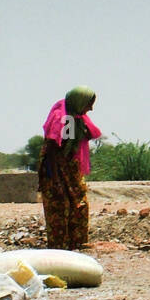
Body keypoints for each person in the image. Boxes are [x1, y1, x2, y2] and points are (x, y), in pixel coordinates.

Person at [38, 86, 101, 250]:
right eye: (88, 104)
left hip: (71, 170)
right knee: (60, 205)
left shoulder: (77, 119)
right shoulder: (64, 120)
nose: (90, 108)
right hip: (57, 171)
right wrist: (55, 177)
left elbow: (87, 135)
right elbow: (52, 148)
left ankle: (76, 243)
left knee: (78, 204)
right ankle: (61, 246)